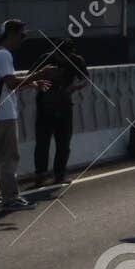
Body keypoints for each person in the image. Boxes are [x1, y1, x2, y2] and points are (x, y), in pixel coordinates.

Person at [0, 19, 49, 211]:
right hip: (4, 114)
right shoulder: (3, 55)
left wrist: (31, 84)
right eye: (22, 35)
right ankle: (11, 198)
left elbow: (5, 84)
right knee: (11, 157)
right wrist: (38, 74)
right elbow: (10, 83)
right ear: (11, 34)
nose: (23, 39)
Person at [33, 43, 88, 188]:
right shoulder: (45, 59)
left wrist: (74, 87)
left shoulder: (76, 60)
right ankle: (40, 174)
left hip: (64, 104)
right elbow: (30, 77)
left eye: (67, 56)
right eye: (61, 56)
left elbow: (85, 79)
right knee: (42, 142)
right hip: (45, 105)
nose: (64, 59)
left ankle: (59, 174)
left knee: (63, 142)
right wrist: (42, 79)